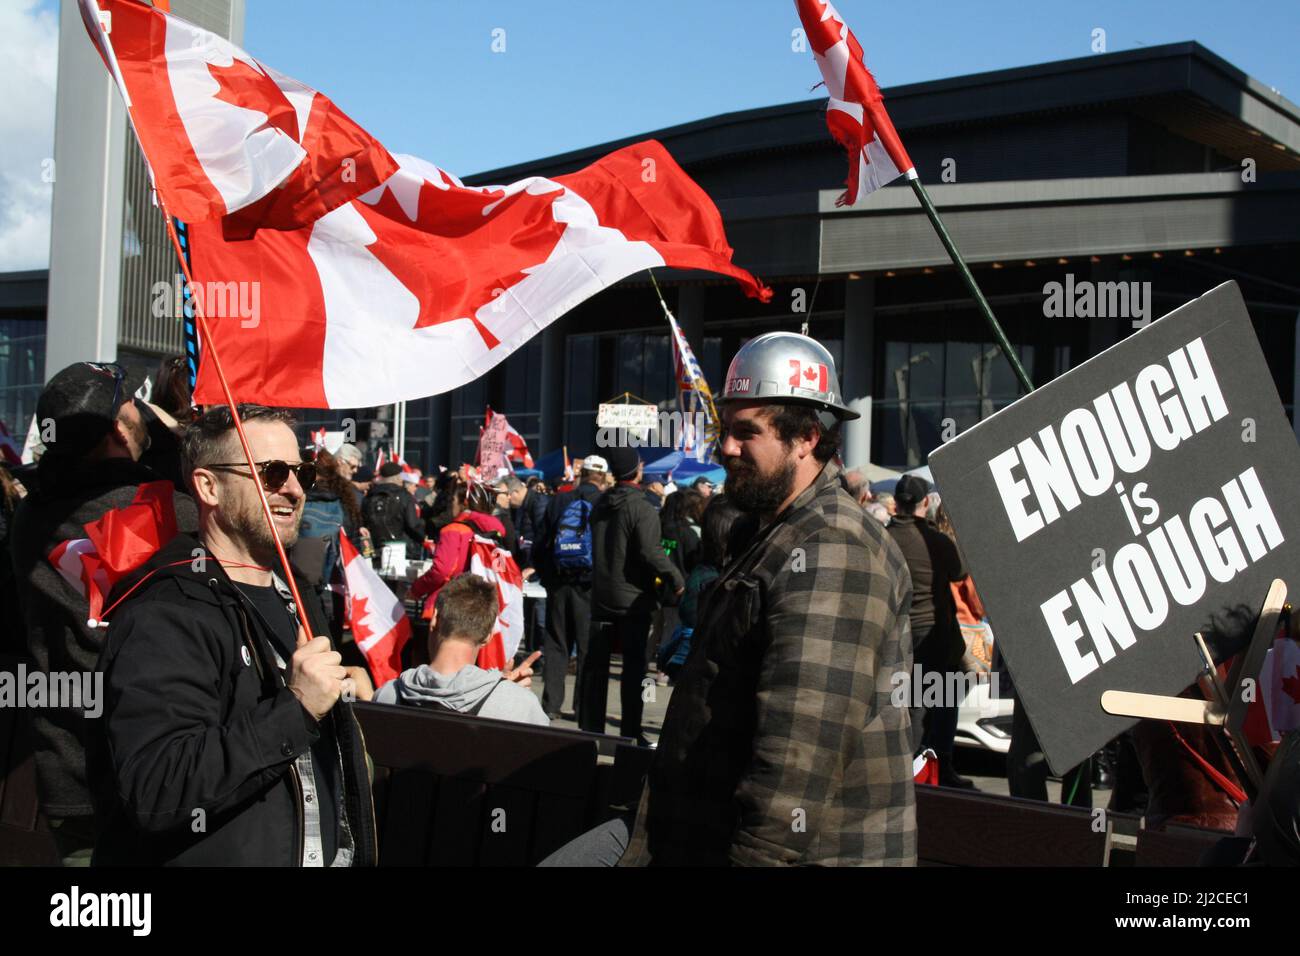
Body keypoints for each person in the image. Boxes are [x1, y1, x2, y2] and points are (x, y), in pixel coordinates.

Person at [554, 332, 915, 866]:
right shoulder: (780, 529)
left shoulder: (834, 546)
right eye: (727, 430)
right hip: (689, 832)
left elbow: (798, 755)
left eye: (747, 433)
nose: (725, 448)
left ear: (806, 438)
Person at [89, 404, 376, 865]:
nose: (295, 489)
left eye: (300, 470)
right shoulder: (166, 612)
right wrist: (296, 709)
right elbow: (157, 785)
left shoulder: (297, 594)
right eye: (272, 472)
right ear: (208, 486)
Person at [10, 362, 200, 865]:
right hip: (146, 769)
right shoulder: (164, 511)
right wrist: (173, 433)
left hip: (64, 765)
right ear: (120, 426)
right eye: (130, 403)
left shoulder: (31, 516)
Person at [587, 444, 684, 743]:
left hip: (601, 596)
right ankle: (631, 731)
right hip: (632, 601)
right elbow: (650, 551)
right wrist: (676, 578)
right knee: (634, 670)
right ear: (637, 470)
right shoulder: (641, 507)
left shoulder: (602, 503)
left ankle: (590, 731)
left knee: (595, 671)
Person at [887, 474, 971, 790]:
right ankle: (938, 766)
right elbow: (959, 572)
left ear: (896, 502)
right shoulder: (936, 541)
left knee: (907, 704)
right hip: (934, 635)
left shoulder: (882, 537)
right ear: (924, 502)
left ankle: (908, 768)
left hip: (896, 633)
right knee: (940, 700)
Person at [374, 575, 547, 726]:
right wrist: (505, 692)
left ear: (434, 619)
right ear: (488, 635)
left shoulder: (386, 696)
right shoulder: (521, 707)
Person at [531, 455, 609, 719]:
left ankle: (551, 705)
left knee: (556, 644)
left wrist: (547, 576)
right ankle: (583, 706)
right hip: (589, 585)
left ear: (582, 473)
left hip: (559, 582)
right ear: (603, 477)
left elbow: (541, 542)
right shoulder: (604, 502)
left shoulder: (560, 499)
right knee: (588, 648)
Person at [362, 461, 425, 558]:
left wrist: (368, 553)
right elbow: (412, 524)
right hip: (402, 550)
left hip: (374, 550)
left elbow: (363, 526)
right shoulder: (404, 496)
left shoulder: (369, 497)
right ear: (397, 477)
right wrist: (423, 537)